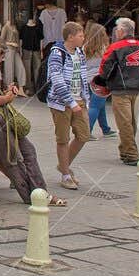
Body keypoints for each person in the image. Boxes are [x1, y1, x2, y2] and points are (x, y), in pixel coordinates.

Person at [0, 35, 64, 206]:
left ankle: (39, 192)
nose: (3, 59)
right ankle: (34, 195)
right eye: (3, 55)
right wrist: (11, 95)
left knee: (25, 152)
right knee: (15, 157)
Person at [92, 17, 139, 166]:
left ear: (121, 31)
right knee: (132, 122)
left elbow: (105, 68)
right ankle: (125, 149)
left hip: (121, 90)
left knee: (125, 122)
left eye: (117, 30)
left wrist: (103, 82)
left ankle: (130, 154)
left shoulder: (115, 47)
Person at [44, 20, 88, 191]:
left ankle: (63, 165)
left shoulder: (80, 52)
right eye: (80, 35)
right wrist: (70, 101)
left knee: (83, 135)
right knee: (63, 138)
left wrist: (85, 97)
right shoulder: (57, 53)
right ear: (70, 37)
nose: (83, 38)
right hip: (60, 103)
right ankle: (65, 175)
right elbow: (56, 79)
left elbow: (82, 75)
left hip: (80, 100)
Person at [83, 21, 114, 138]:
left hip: (87, 79)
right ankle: (87, 131)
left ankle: (105, 128)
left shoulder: (84, 47)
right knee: (95, 106)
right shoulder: (105, 49)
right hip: (100, 80)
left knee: (99, 105)